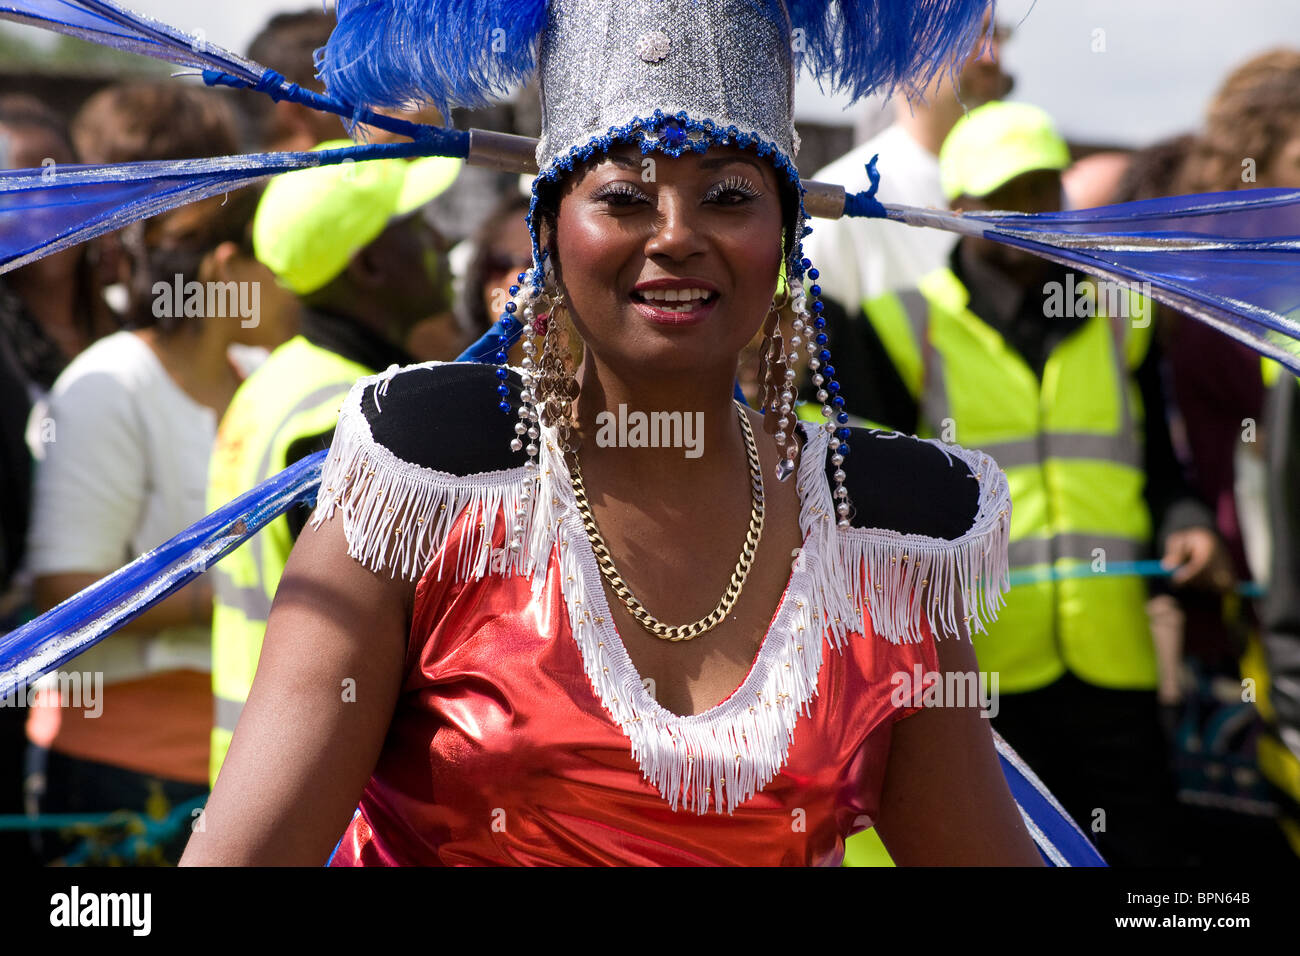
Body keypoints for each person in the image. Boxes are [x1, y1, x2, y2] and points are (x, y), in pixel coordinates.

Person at [182, 0, 1041, 866]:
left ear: (785, 235)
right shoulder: (424, 490)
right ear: (550, 233)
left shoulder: (881, 538)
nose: (676, 236)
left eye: (729, 195)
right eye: (625, 197)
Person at [855, 102, 1233, 865]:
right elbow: (867, 512)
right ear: (957, 210)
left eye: (1041, 192)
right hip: (973, 671)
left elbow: (1164, 473)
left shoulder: (1122, 320)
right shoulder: (897, 327)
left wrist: (1187, 522)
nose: (1028, 213)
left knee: (1142, 859)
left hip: (1113, 664)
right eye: (1006, 194)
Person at [22, 94, 291, 864]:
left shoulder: (269, 380)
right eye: (278, 263)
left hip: (250, 758)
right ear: (227, 269)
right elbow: (68, 594)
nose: (293, 288)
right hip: (125, 773)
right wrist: (268, 591)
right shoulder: (109, 385)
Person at [206, 141, 462, 784]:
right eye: (416, 226)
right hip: (318, 795)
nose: (439, 240)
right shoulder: (350, 421)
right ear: (371, 265)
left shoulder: (279, 380)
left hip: (264, 780)